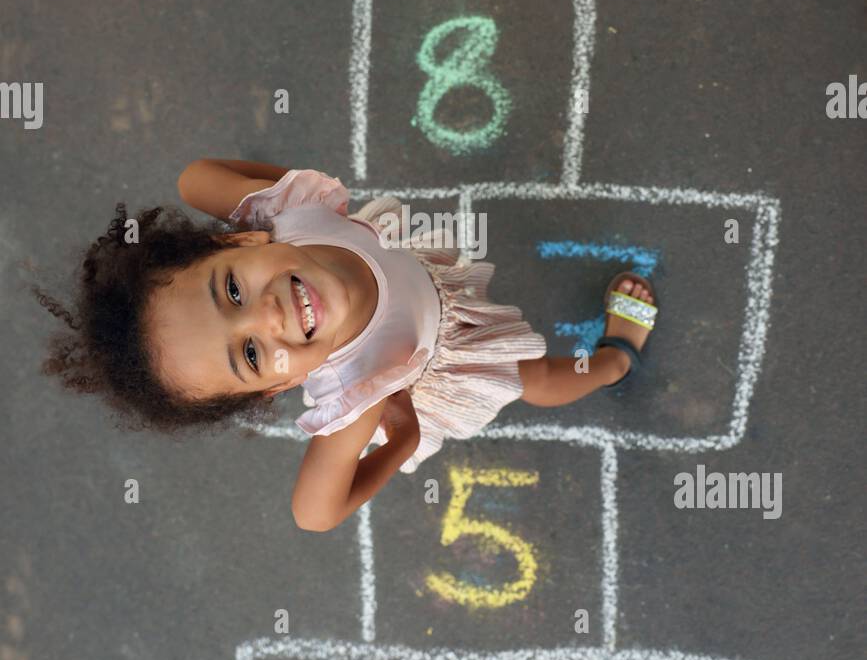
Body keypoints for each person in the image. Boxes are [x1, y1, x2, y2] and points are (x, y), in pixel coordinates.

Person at [32, 158, 659, 533]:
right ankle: (613, 361)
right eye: (250, 356)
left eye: (230, 290)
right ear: (277, 387)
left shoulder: (285, 218)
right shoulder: (357, 389)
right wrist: (403, 444)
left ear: (238, 243)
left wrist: (276, 187)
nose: (267, 319)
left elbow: (196, 179)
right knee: (539, 379)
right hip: (442, 353)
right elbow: (314, 512)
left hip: (423, 282)